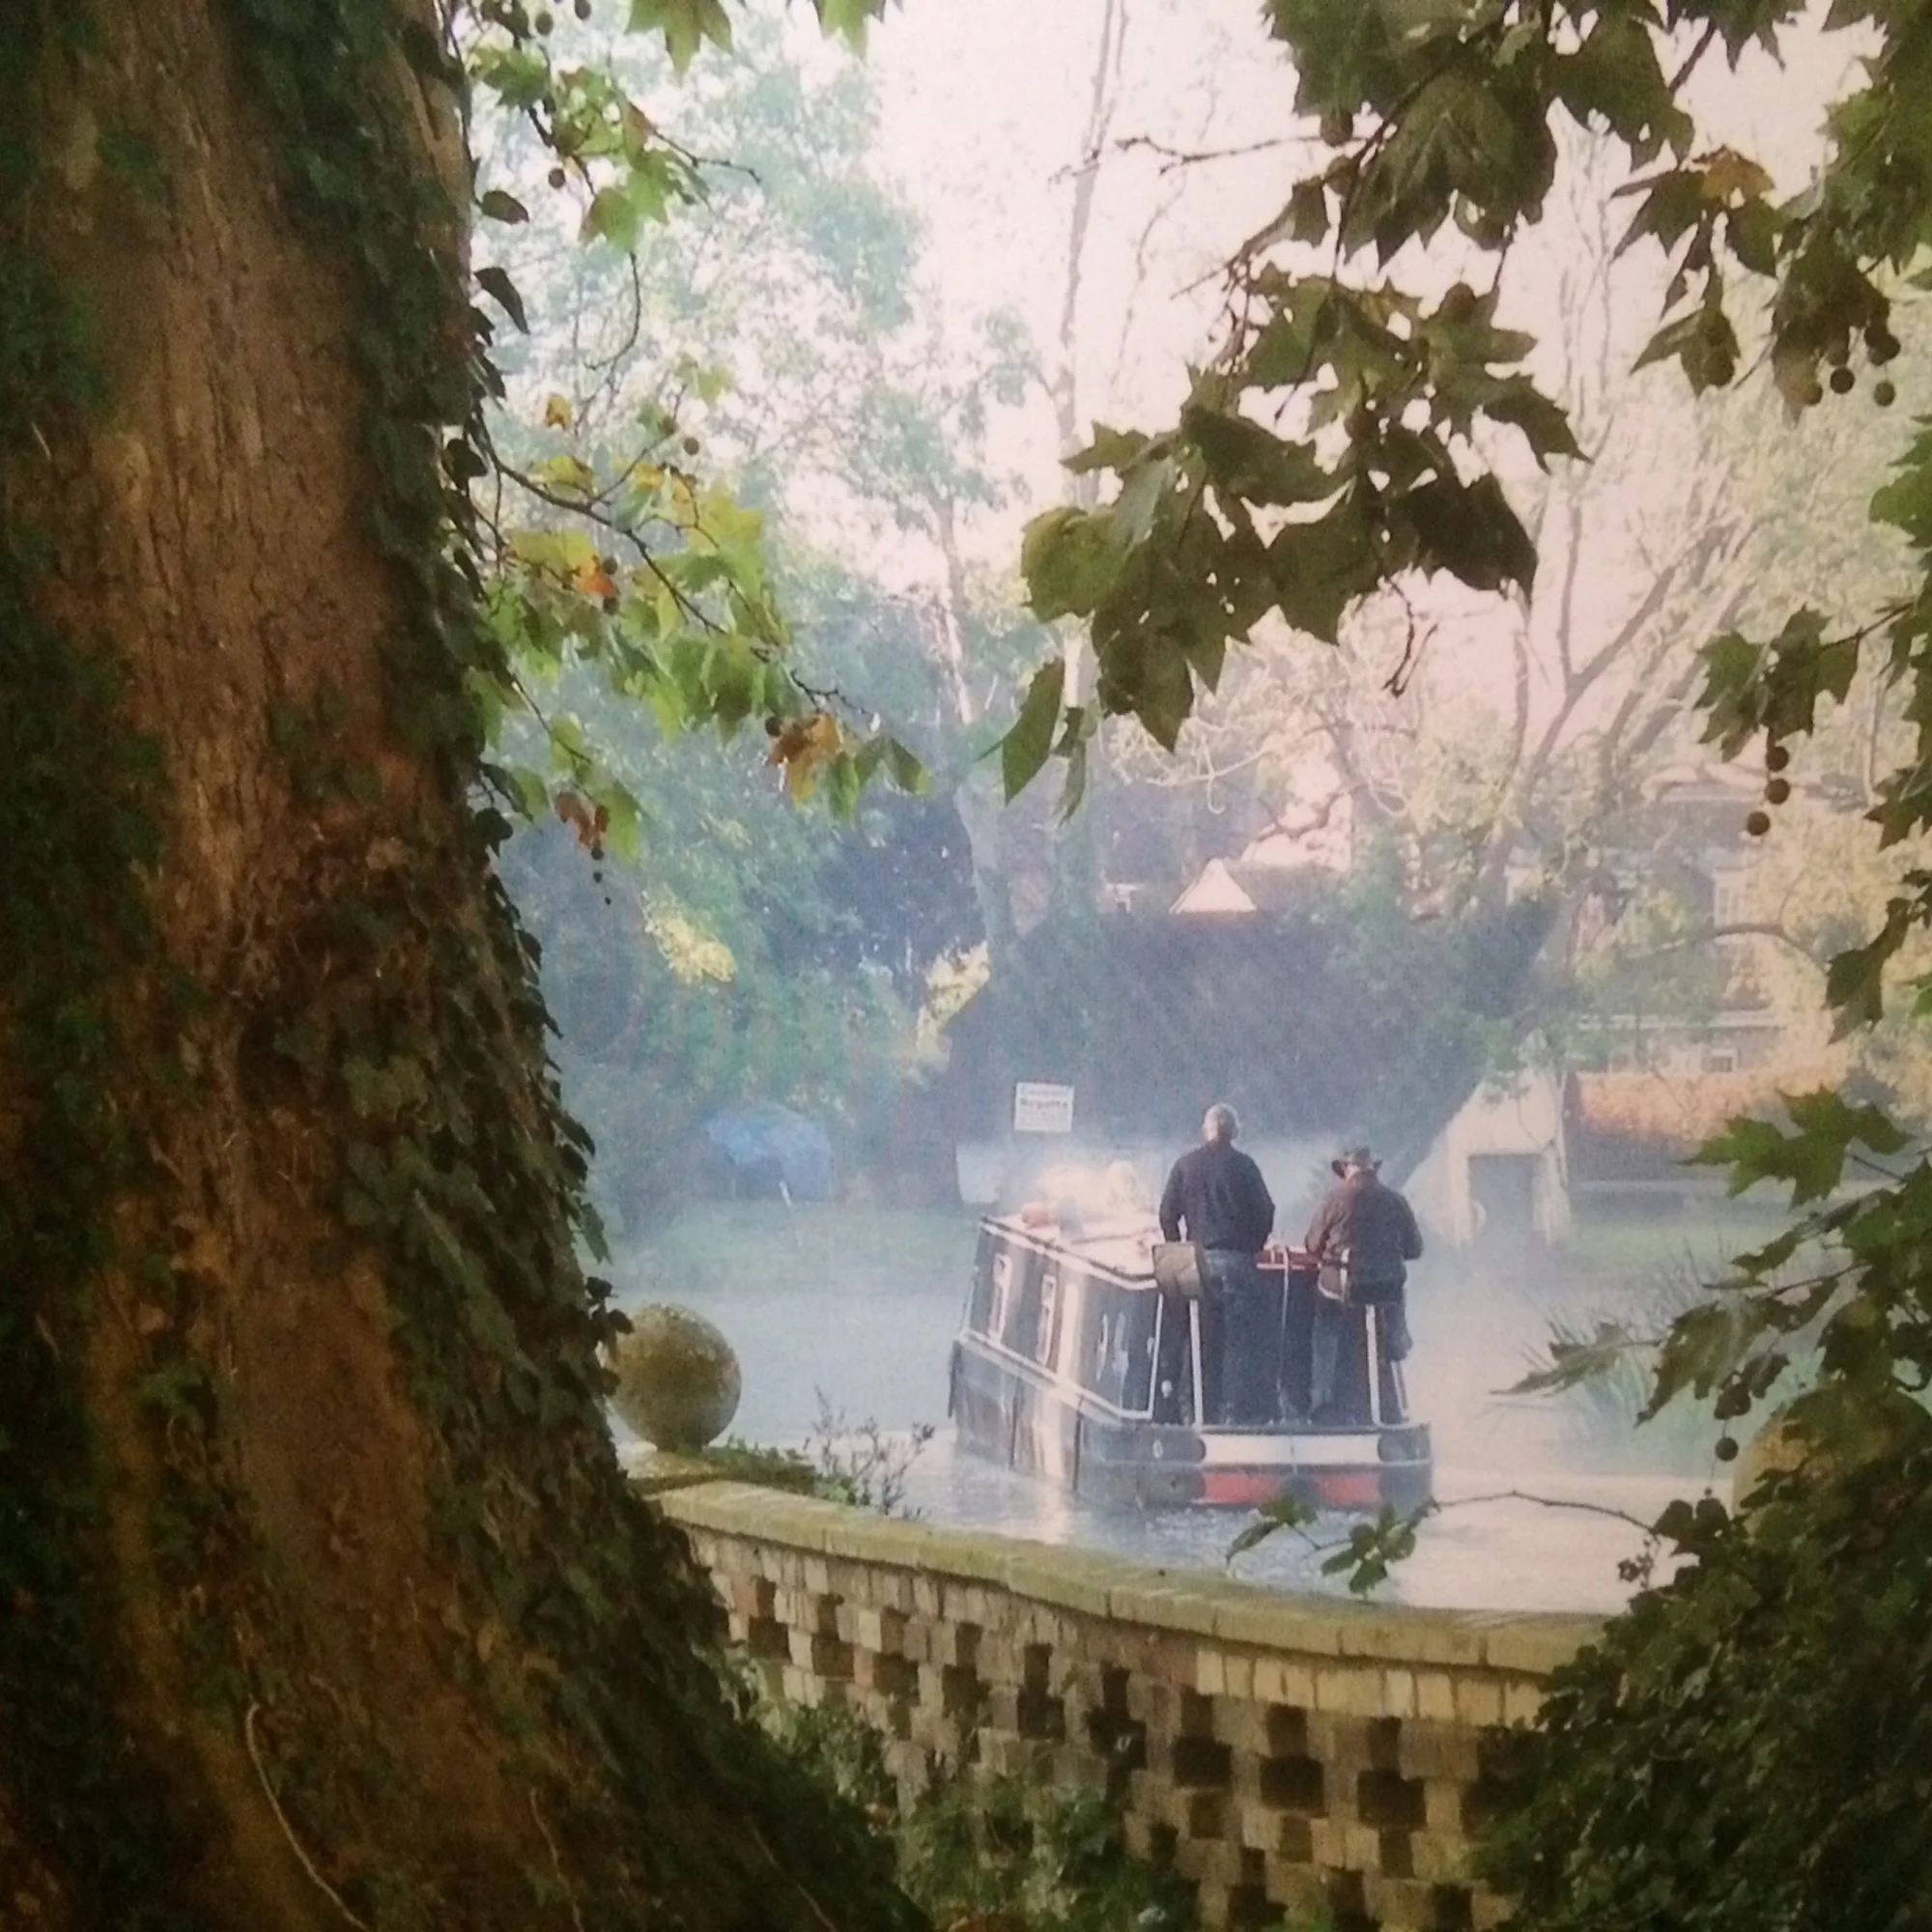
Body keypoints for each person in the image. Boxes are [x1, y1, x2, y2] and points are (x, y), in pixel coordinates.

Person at [1158, 1104, 1277, 1425]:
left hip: (1197, 1263)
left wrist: (1180, 1248)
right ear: (1234, 1132)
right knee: (1241, 1342)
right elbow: (1266, 1212)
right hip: (1238, 1263)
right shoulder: (1246, 1166)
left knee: (1195, 1336)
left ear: (1205, 1130)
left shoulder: (1185, 1165)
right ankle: (1235, 1416)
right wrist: (1252, 1247)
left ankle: (1192, 1412)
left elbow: (1167, 1214)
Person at [1302, 1145, 1423, 1422]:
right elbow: (1415, 1249)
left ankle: (1322, 1398)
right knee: (1394, 1298)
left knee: (1325, 1326)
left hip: (1345, 1287)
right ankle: (1395, 1345)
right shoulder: (1396, 1201)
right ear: (1372, 1170)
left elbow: (1311, 1246)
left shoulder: (1333, 1200)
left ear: (1346, 1169)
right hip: (1387, 1287)